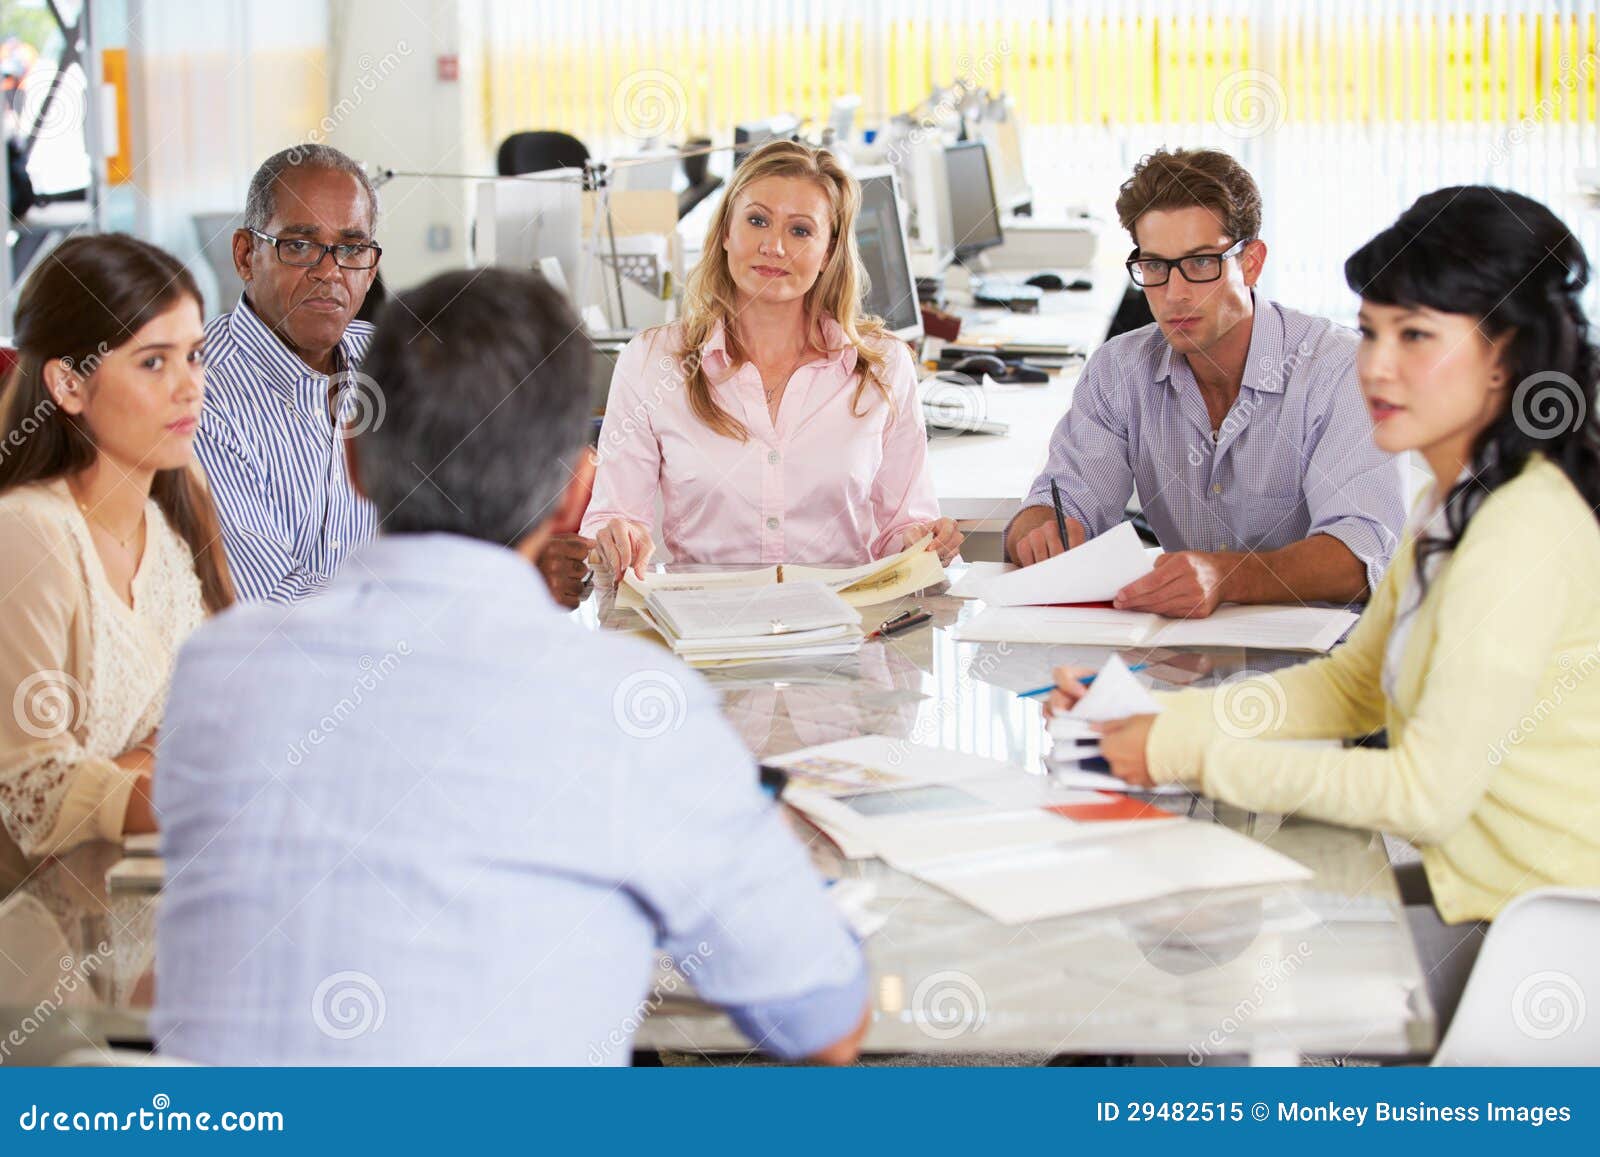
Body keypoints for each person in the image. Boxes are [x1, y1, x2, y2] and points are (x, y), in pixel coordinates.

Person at [154, 268, 870, 1066]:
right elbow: (824, 1019)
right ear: (575, 497)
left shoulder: (216, 670)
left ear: (353, 457)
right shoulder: (631, 705)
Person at [1048, 187, 1600, 1030]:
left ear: (1506, 356)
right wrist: (1160, 721)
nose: (1374, 365)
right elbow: (1351, 684)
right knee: (1175, 956)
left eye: (1415, 336)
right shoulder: (1455, 499)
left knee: (1182, 996)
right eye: (1372, 331)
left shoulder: (1520, 528)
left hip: (1536, 944)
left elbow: (1421, 795)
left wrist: (1178, 751)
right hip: (1478, 894)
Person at [1007, 148, 1405, 617]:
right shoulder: (1119, 370)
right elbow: (1061, 503)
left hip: (1321, 660)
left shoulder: (1336, 369)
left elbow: (1361, 555)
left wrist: (1224, 575)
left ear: (1252, 262)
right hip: (1185, 657)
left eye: (1200, 264)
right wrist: (1035, 533)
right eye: (1155, 267)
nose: (1174, 294)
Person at [195, 144, 594, 607]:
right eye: (299, 245)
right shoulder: (202, 395)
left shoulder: (391, 356)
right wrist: (496, 586)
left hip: (410, 659)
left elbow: (453, 510)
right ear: (246, 255)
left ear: (371, 268)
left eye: (352, 248)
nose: (329, 272)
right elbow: (272, 610)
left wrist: (520, 556)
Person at [582, 138, 960, 575]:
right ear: (726, 233)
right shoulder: (652, 362)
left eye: (800, 230)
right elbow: (611, 519)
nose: (774, 247)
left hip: (841, 628)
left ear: (828, 253)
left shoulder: (884, 367)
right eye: (758, 221)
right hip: (706, 628)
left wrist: (921, 541)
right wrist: (616, 538)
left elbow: (903, 525)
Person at [0, 235, 234, 875]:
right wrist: (175, 776)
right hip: (45, 931)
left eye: (195, 356)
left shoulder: (178, 505)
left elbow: (221, 716)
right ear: (69, 385)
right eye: (154, 363)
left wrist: (144, 767)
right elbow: (33, 794)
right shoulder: (29, 531)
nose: (190, 388)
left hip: (145, 884)